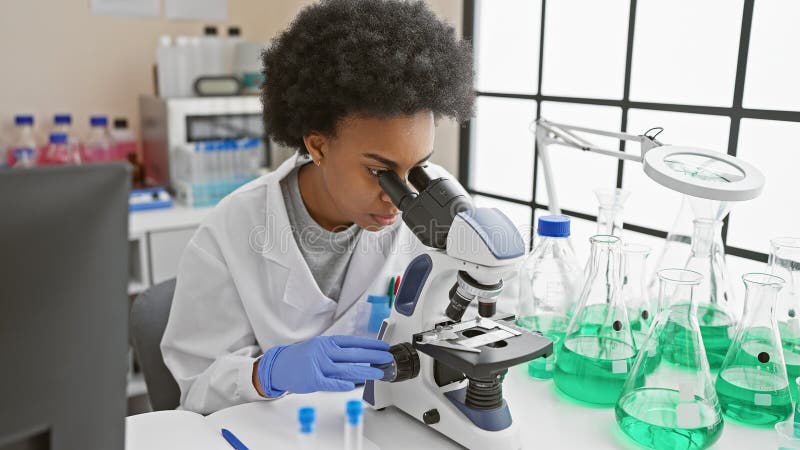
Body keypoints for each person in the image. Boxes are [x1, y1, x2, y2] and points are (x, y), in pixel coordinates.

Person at [161, 0, 474, 414]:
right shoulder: (230, 231)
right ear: (318, 146)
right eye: (380, 171)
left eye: (416, 167)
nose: (398, 198)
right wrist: (264, 373)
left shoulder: (431, 210)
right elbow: (196, 388)